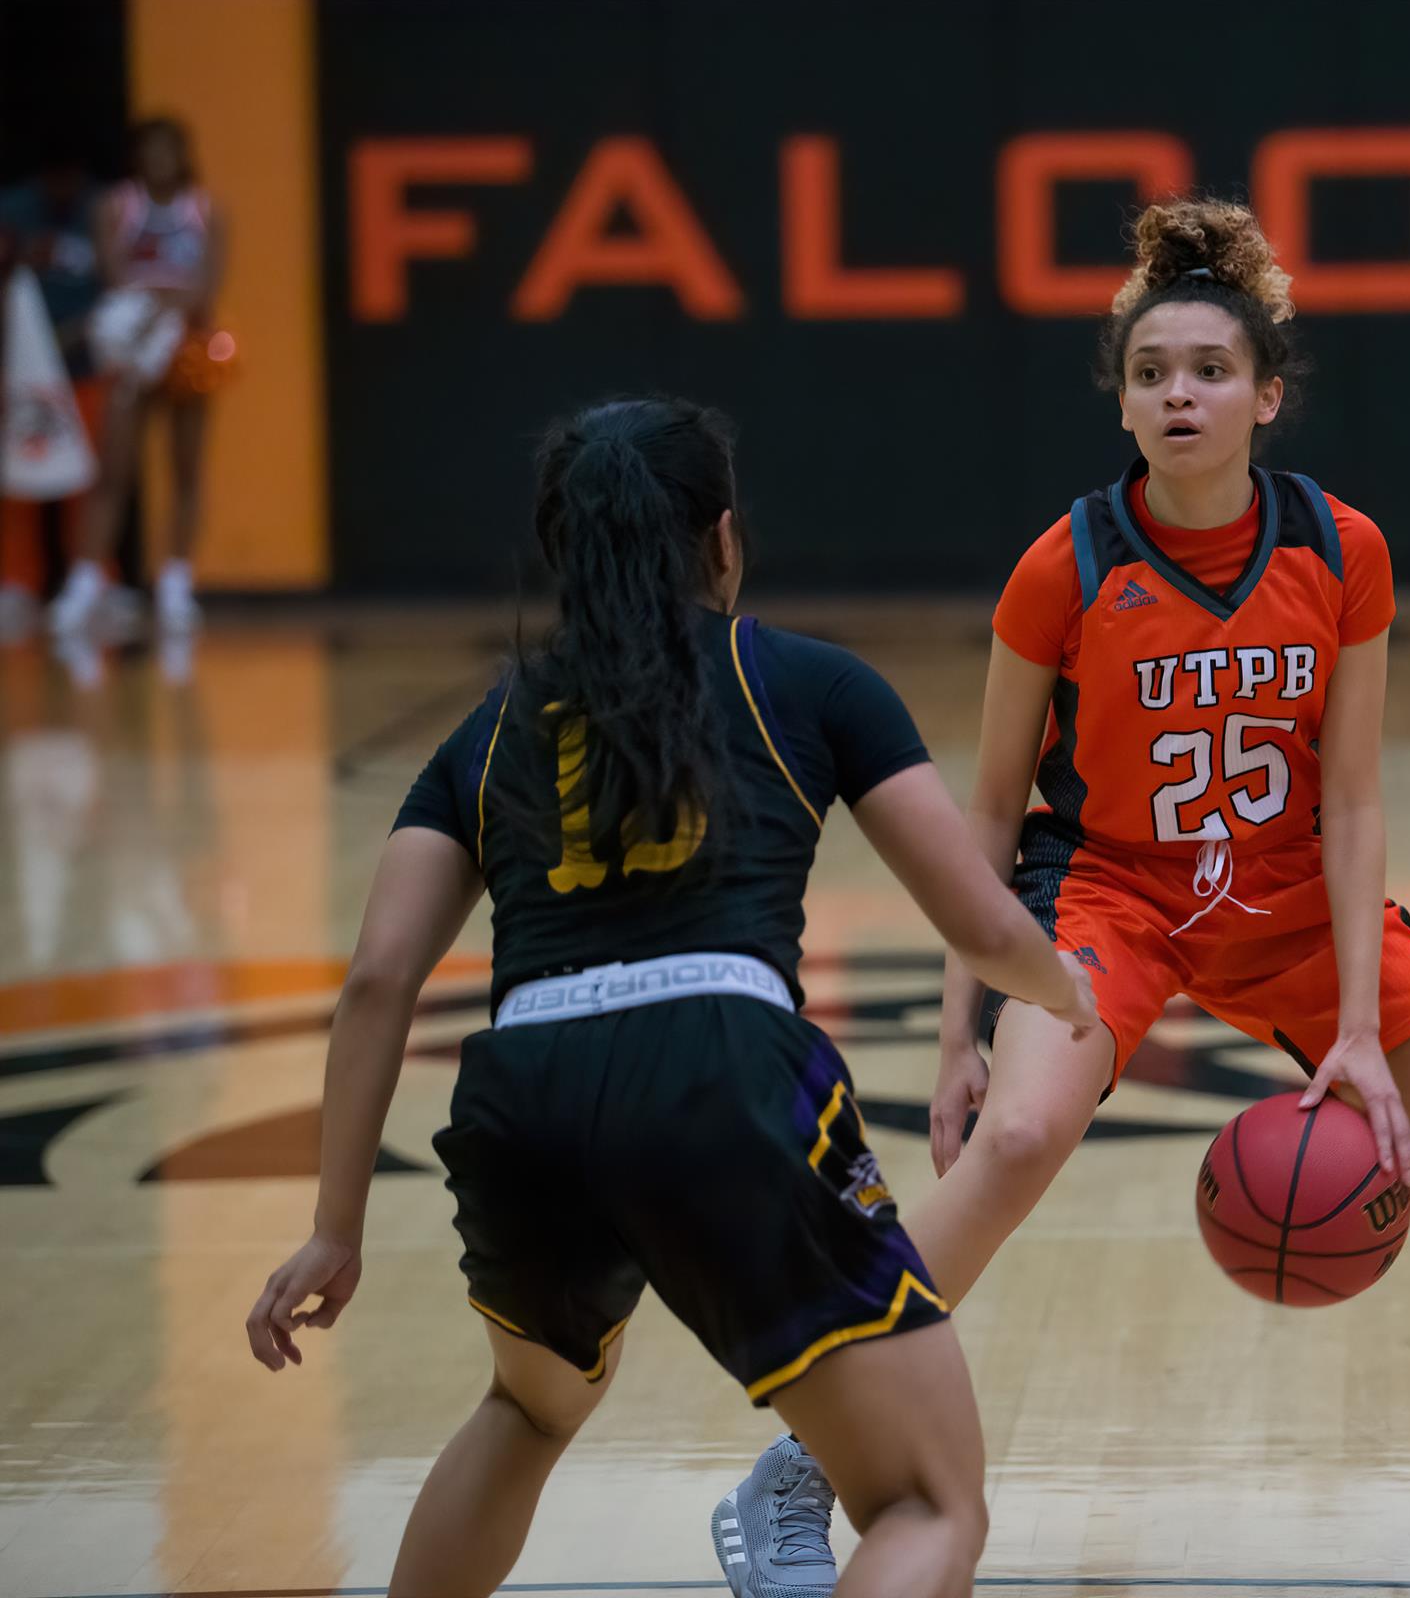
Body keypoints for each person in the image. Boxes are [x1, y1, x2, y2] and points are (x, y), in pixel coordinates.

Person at [716, 201, 1410, 1592]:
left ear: (1266, 397)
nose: (1180, 393)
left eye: (1211, 370)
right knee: (1019, 1143)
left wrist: (1352, 1026)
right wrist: (960, 1022)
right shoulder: (1065, 565)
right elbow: (987, 808)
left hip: (1289, 900)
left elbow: (1351, 800)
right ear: (1123, 400)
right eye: (1153, 371)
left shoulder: (1342, 551)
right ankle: (798, 1465)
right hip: (1109, 892)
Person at [243, 396, 1097, 1598]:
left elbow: (382, 978)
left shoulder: (487, 732)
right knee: (922, 1502)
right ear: (725, 542)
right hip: (716, 1072)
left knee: (528, 1411)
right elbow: (981, 921)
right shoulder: (798, 679)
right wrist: (1064, 992)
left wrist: (336, 1225)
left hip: (523, 1093)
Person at [48, 116, 226, 636]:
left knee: (186, 468)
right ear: (138, 156)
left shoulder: (206, 211)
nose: (161, 160)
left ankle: (176, 585)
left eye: (170, 150)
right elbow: (114, 273)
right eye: (151, 150)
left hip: (187, 345)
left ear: (183, 155)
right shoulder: (116, 208)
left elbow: (207, 283)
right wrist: (144, 318)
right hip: (132, 344)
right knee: (114, 467)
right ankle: (85, 583)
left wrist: (170, 313)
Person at [0, 148, 106, 635]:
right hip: (21, 366)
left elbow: (119, 277)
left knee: (84, 475)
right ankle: (17, 581)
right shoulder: (13, 208)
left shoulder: (104, 208)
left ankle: (94, 579)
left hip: (84, 360)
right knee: (16, 475)